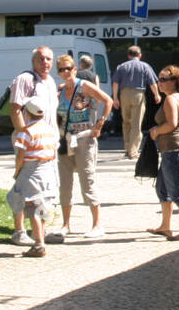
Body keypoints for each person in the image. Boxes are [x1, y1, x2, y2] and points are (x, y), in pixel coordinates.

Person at [53, 52, 114, 240]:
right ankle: (66, 224)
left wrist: (100, 123)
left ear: (75, 69)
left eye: (68, 69)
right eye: (61, 69)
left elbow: (108, 100)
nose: (65, 72)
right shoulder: (60, 90)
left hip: (84, 139)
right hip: (65, 140)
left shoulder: (84, 86)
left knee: (87, 180)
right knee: (65, 183)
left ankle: (97, 224)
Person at [8, 46, 60, 245]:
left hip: (48, 144)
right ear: (33, 61)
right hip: (29, 143)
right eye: (41, 59)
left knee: (45, 190)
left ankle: (40, 231)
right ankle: (19, 231)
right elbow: (15, 109)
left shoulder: (50, 81)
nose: (45, 62)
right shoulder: (25, 79)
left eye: (48, 59)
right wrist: (25, 135)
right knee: (22, 188)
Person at [147, 64, 179, 240]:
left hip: (175, 149)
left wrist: (156, 131)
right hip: (177, 148)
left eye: (164, 79)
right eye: (159, 79)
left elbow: (172, 124)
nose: (159, 83)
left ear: (175, 81)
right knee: (163, 188)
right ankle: (165, 226)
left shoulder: (171, 100)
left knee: (178, 192)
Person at [7, 99, 59, 258]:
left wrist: (17, 171)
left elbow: (20, 156)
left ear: (27, 113)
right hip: (47, 169)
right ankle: (40, 238)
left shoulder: (26, 132)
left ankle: (38, 244)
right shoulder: (50, 130)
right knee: (41, 206)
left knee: (31, 206)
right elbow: (54, 152)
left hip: (31, 171)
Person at [111, 46, 160, 160]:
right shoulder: (145, 66)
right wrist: (156, 94)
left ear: (128, 55)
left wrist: (115, 98)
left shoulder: (121, 66)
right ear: (140, 55)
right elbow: (152, 82)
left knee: (126, 122)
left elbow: (115, 82)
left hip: (124, 94)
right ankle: (133, 151)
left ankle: (127, 148)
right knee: (136, 124)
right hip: (138, 94)